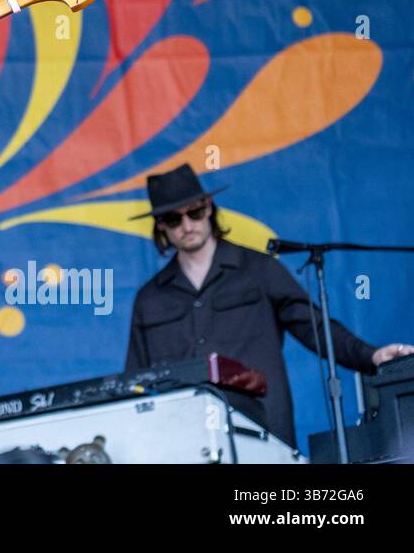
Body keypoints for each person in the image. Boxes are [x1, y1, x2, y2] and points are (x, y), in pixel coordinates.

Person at [124, 164, 412, 449]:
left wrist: (371, 355)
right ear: (160, 224)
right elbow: (135, 385)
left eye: (194, 212)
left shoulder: (259, 269)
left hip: (261, 434)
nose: (187, 225)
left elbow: (315, 328)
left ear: (209, 207)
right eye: (174, 219)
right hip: (183, 442)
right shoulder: (150, 298)